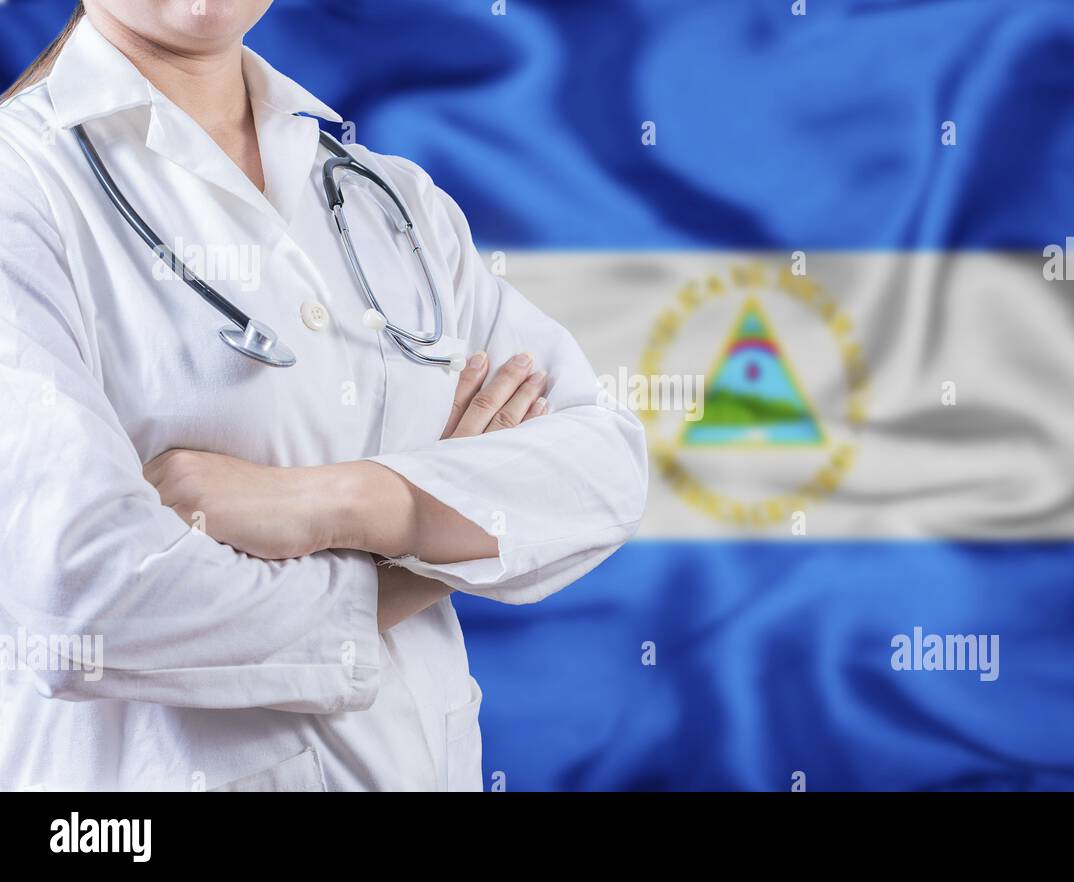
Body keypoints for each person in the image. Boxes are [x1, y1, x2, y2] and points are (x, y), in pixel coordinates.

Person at [0, 0, 647, 791]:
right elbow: (81, 599)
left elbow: (604, 464)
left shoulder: (389, 196)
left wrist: (343, 502)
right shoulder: (23, 187)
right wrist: (430, 556)